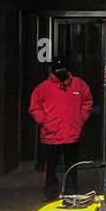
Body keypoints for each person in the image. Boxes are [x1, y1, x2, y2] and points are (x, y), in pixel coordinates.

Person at [29, 58, 93, 200]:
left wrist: (80, 119)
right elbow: (35, 108)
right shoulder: (43, 88)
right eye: (57, 69)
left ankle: (71, 192)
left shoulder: (79, 85)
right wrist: (45, 122)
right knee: (51, 166)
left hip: (72, 132)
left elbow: (87, 102)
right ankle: (51, 193)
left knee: (72, 165)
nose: (60, 72)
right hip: (51, 134)